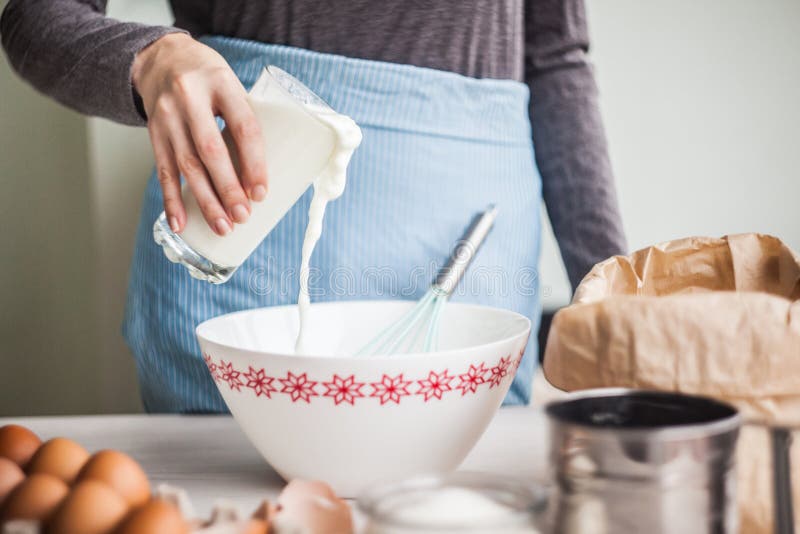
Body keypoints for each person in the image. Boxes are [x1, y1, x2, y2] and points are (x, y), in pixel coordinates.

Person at [1, 1, 626, 412]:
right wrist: (150, 58)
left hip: (468, 261)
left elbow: (555, 58)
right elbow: (32, 17)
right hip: (243, 253)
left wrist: (616, 309)